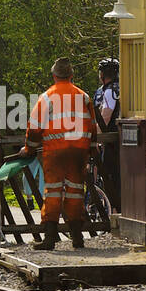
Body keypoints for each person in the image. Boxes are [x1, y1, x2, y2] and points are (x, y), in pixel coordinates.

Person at [24, 57, 98, 251]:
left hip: (55, 151)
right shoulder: (84, 97)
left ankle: (49, 238)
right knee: (75, 191)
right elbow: (92, 125)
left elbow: (34, 128)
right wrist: (92, 146)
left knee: (53, 191)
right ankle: (77, 238)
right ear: (71, 75)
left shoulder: (47, 97)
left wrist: (29, 148)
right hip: (79, 151)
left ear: (54, 75)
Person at [94, 57, 122, 214]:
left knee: (108, 174)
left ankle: (114, 209)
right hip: (119, 138)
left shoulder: (109, 91)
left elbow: (105, 116)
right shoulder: (122, 87)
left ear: (102, 74)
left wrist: (94, 136)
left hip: (110, 140)